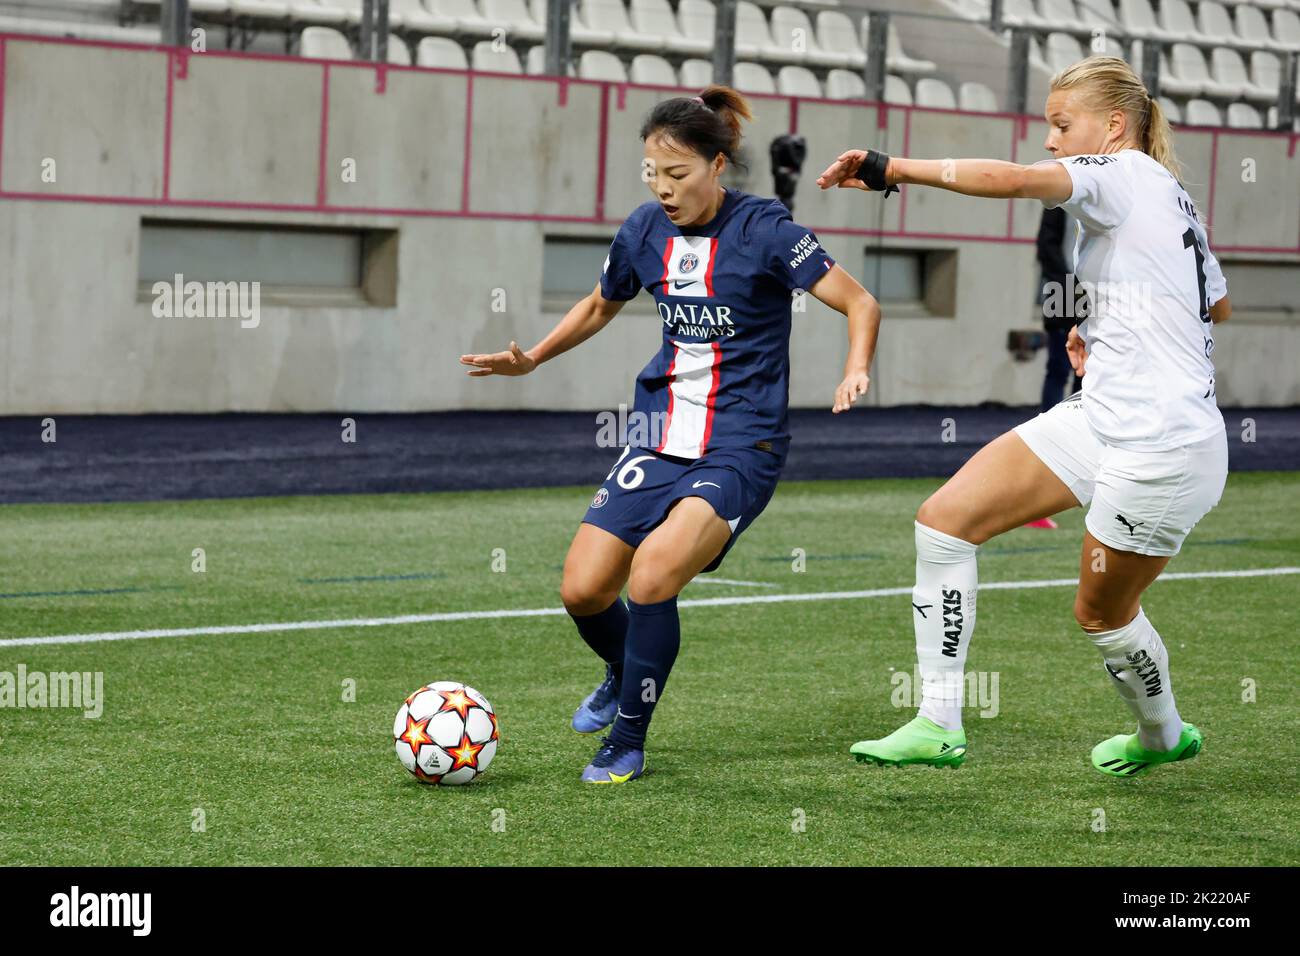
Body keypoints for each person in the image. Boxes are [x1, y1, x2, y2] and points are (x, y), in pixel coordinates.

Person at [816, 56, 1231, 777]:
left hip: (1163, 444)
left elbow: (1010, 181)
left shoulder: (1122, 174)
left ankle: (1163, 734)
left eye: (1061, 125)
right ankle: (937, 723)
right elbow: (1213, 303)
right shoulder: (1165, 194)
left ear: (1114, 126)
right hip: (1104, 414)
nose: (1050, 141)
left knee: (1101, 614)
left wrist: (893, 168)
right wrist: (1103, 326)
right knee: (945, 522)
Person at [461, 85, 882, 784]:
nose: (662, 189)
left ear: (719, 165)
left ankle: (628, 738)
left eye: (677, 174)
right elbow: (602, 303)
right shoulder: (642, 231)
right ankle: (625, 668)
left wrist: (855, 367)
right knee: (582, 590)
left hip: (743, 443)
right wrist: (531, 356)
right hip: (657, 433)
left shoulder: (768, 230)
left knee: (654, 574)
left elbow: (859, 301)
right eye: (652, 174)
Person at [1036, 205, 1083, 412]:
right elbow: (1046, 247)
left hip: (1090, 294)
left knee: (1085, 371)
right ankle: (1047, 427)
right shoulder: (1058, 203)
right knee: (1058, 367)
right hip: (1062, 292)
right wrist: (1068, 287)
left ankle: (1080, 425)